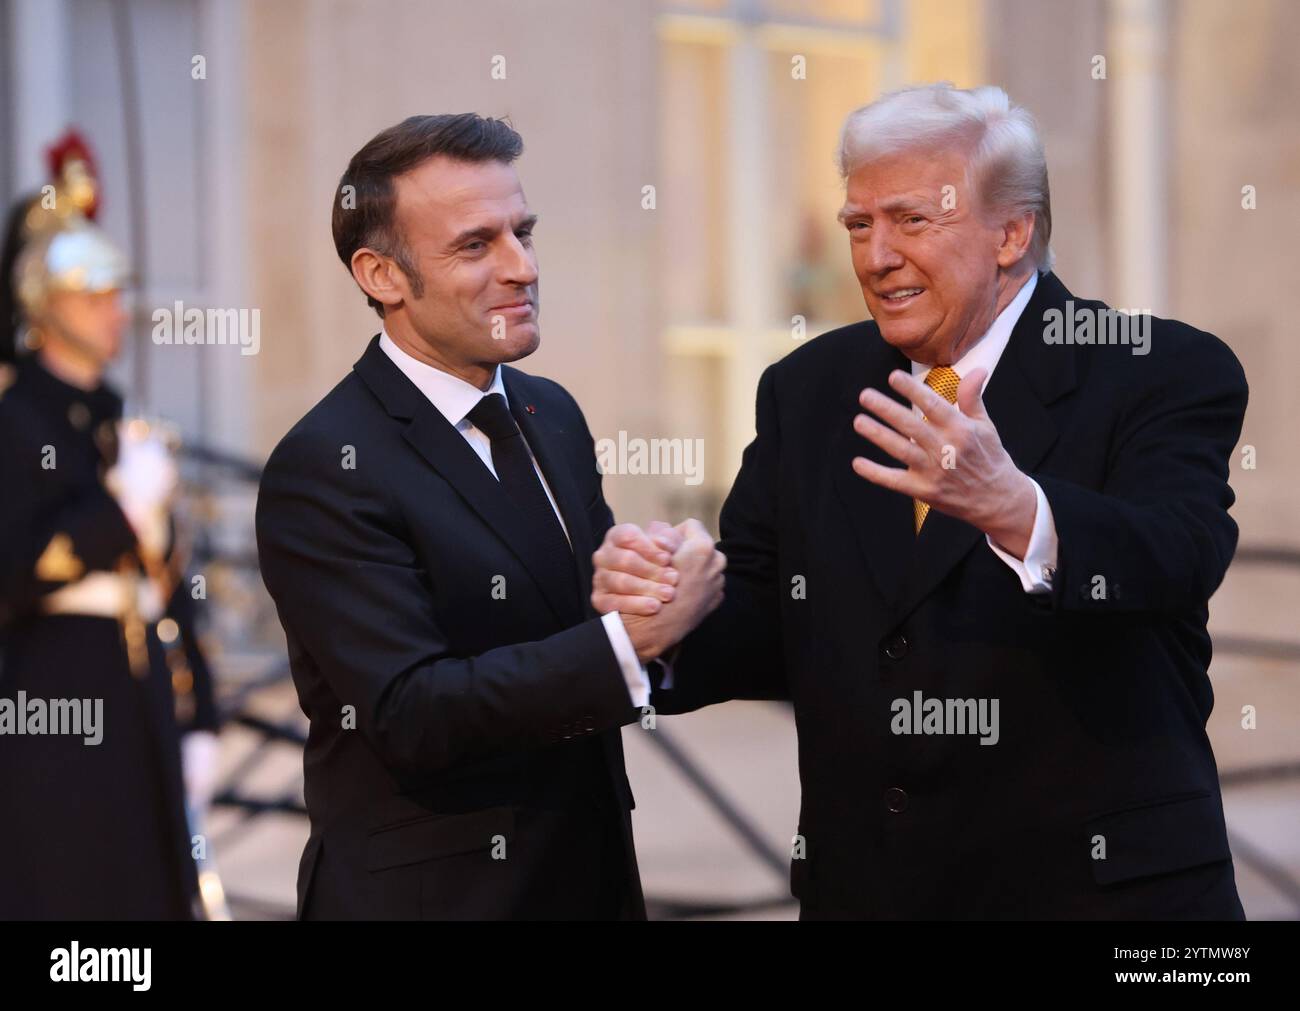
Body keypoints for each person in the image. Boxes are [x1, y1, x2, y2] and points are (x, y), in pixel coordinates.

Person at [593, 83, 1249, 920]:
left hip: (1098, 899)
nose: (875, 256)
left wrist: (1013, 505)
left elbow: (1177, 556)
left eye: (911, 221)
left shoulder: (1157, 366)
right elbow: (768, 620)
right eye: (859, 226)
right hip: (872, 891)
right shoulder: (809, 389)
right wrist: (667, 614)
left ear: (1011, 232)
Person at [255, 114, 722, 920]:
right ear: (382, 275)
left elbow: (571, 627)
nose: (522, 267)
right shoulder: (326, 464)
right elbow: (411, 713)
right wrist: (627, 639)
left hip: (590, 880)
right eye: (476, 246)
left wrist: (645, 588)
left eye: (524, 232)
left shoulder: (552, 414)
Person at [0, 134, 220, 919]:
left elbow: (167, 576)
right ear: (41, 301)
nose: (115, 309)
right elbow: (12, 571)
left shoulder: (117, 416)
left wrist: (203, 715)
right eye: (93, 293)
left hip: (142, 697)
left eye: (116, 292)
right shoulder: (13, 414)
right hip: (51, 696)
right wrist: (118, 511)